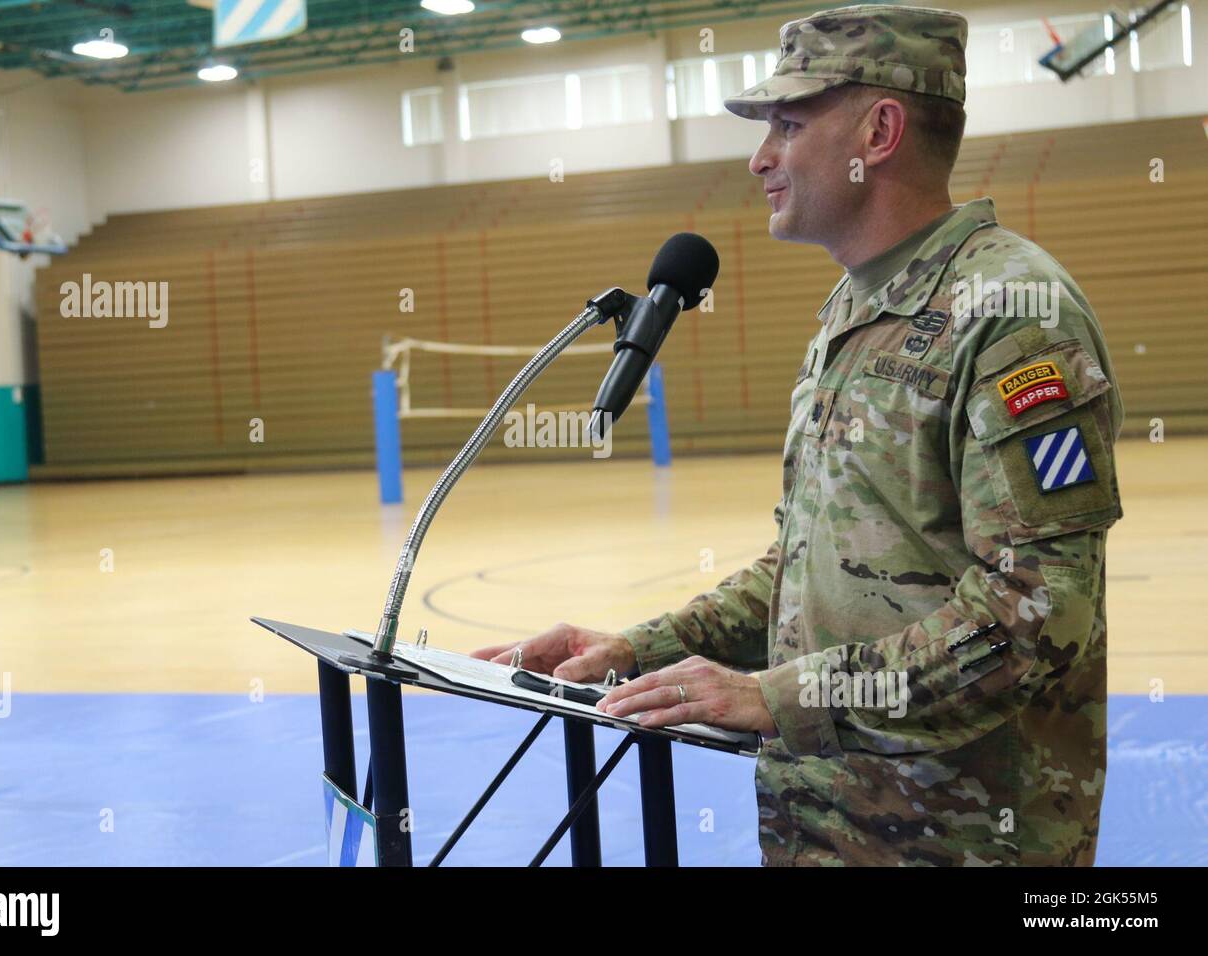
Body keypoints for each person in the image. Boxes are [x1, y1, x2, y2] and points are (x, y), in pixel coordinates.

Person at [473, 3, 1123, 866]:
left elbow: (1036, 617)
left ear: (880, 130)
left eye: (787, 122)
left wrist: (781, 696)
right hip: (821, 825)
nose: (760, 157)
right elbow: (811, 564)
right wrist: (639, 649)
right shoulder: (853, 313)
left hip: (960, 839)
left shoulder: (1011, 317)